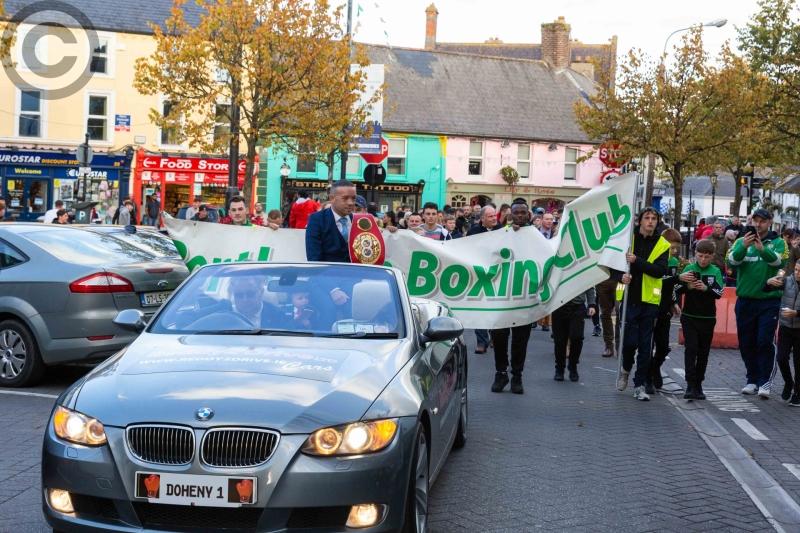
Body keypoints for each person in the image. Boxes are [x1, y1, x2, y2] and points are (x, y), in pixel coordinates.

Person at [727, 208, 786, 398]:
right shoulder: (740, 241)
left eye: (762, 221)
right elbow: (731, 263)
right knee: (746, 342)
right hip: (745, 300)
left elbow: (779, 263)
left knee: (764, 341)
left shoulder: (778, 242)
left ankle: (764, 381)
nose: (758, 224)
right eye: (756, 221)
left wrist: (762, 249)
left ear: (770, 222)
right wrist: (743, 246)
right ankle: (751, 379)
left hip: (769, 301)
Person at [615, 207, 670, 401]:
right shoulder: (628, 240)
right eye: (647, 218)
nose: (650, 221)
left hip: (650, 301)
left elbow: (659, 271)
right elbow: (614, 265)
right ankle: (625, 369)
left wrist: (636, 260)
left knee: (646, 346)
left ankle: (639, 385)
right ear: (640, 221)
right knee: (629, 342)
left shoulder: (663, 244)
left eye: (654, 218)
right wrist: (621, 277)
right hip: (630, 298)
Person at [490, 202, 536, 394]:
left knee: (520, 340)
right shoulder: (502, 233)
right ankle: (501, 373)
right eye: (516, 212)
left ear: (528, 215)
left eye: (523, 213)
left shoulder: (535, 236)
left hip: (524, 297)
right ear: (511, 214)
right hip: (502, 296)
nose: (519, 216)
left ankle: (517, 375)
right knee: (499, 337)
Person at [676, 239, 724, 400]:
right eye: (700, 256)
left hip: (707, 318)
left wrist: (706, 288)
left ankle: (698, 384)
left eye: (707, 257)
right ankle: (690, 384)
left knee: (703, 352)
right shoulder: (689, 268)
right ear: (695, 254)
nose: (703, 260)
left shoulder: (715, 271)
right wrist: (687, 286)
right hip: (689, 316)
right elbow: (677, 288)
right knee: (691, 349)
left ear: (712, 256)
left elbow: (719, 293)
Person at [650, 228, 684, 391]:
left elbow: (672, 286)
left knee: (663, 346)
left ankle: (655, 367)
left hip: (665, 309)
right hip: (651, 305)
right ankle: (648, 377)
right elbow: (657, 281)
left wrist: (674, 302)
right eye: (671, 248)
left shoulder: (674, 262)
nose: (674, 251)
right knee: (648, 344)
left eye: (676, 248)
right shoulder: (655, 258)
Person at [765, 262, 800, 406]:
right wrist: (768, 282)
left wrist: (796, 313)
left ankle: (797, 394)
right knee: (781, 358)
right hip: (785, 327)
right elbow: (766, 289)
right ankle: (788, 382)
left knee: (798, 363)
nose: (797, 273)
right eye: (796, 269)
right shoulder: (788, 281)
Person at [468, 205, 500, 354]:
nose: (494, 218)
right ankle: (481, 341)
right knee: (479, 308)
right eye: (490, 216)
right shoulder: (473, 232)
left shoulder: (502, 231)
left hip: (497, 274)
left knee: (496, 307)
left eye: (494, 215)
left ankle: (495, 336)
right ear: (482, 218)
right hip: (478, 274)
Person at [552, 286, 596, 383]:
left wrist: (591, 304)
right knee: (559, 340)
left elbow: (589, 285)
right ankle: (559, 368)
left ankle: (573, 366)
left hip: (577, 306)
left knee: (577, 337)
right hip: (559, 305)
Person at [305, 180, 356, 263]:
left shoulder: (359, 221)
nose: (350, 203)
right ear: (332, 198)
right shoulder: (317, 220)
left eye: (353, 198)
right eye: (345, 198)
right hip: (326, 271)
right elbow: (314, 258)